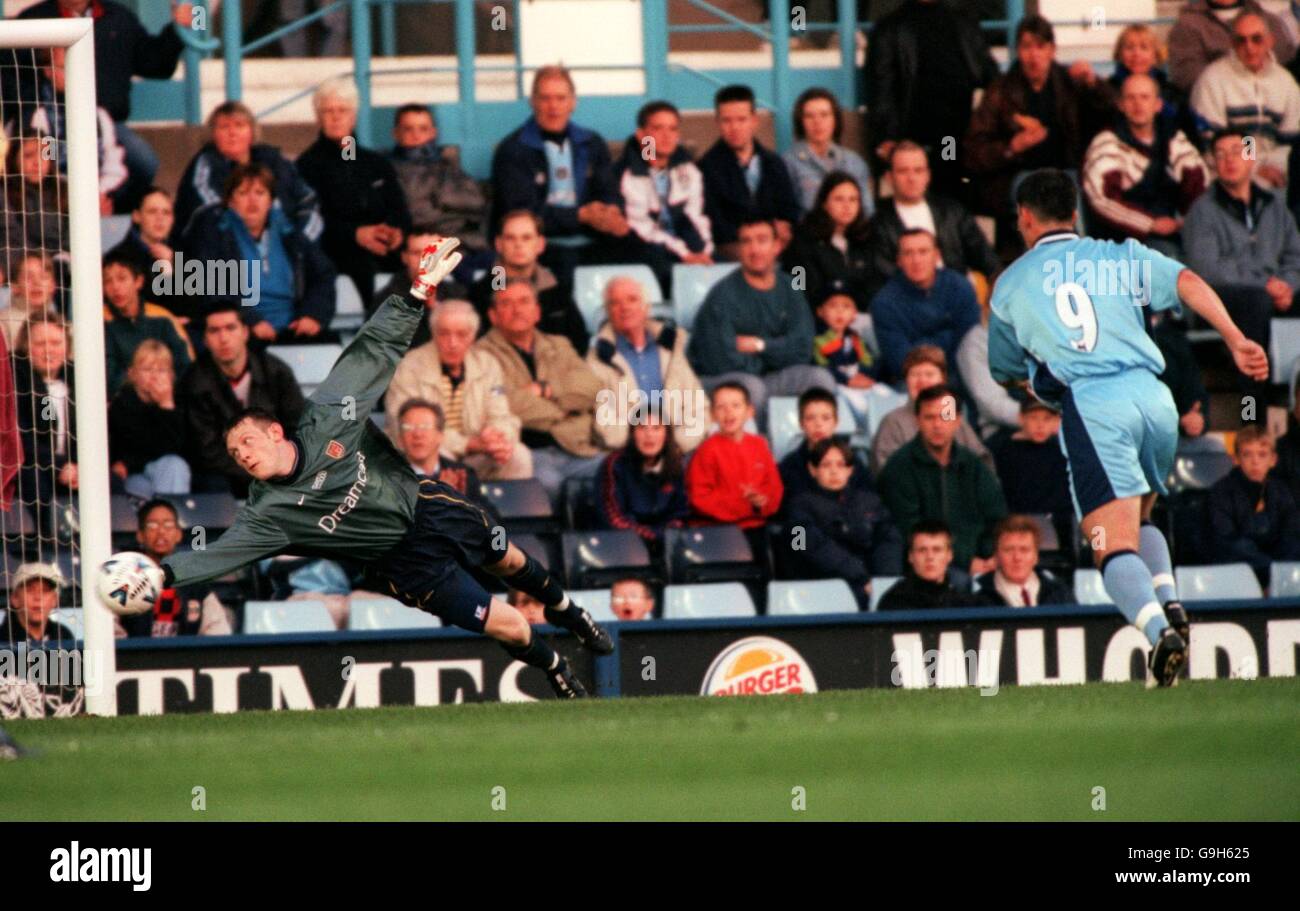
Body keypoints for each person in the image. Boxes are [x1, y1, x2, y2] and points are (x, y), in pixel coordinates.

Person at [157, 237, 613, 699]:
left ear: (275, 432)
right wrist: (162, 575)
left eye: (247, 442)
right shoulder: (267, 514)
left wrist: (418, 294)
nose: (244, 456)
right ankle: (555, 666)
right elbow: (219, 553)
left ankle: (567, 610)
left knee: (506, 557)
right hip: (405, 567)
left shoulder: (326, 419)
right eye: (235, 455)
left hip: (428, 506)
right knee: (509, 627)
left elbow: (369, 353)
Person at [987, 167, 1270, 686]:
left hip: (1096, 406)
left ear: (1024, 218)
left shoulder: (1009, 286)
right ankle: (1169, 601)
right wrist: (1233, 336)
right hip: (1154, 397)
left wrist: (1040, 382)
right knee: (1141, 517)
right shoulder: (1121, 253)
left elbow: (1003, 370)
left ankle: (1159, 632)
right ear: (1074, 213)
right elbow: (1185, 280)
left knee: (1106, 541)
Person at [9, 0, 195, 194]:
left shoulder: (119, 18)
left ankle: (109, 208)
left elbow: (156, 64)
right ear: (47, 70)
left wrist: (181, 28)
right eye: (63, 66)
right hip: (50, 126)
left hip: (106, 124)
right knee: (47, 161)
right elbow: (9, 74)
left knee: (144, 162)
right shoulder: (34, 18)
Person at [962, 16, 1114, 237]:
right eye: (1026, 47)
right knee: (1038, 196)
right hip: (1017, 176)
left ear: (1052, 50)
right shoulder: (1000, 90)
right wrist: (1012, 147)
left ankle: (1075, 259)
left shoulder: (1069, 82)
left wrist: (1094, 84)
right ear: (1017, 51)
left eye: (1040, 47)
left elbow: (1114, 111)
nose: (1034, 55)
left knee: (1069, 192)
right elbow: (971, 152)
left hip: (1068, 171)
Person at [1183, 129, 1300, 411]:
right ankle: (1253, 412)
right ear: (1212, 164)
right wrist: (1265, 284)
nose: (1229, 160)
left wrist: (1286, 285)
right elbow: (1206, 269)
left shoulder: (1275, 206)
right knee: (1255, 303)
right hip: (1226, 299)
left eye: (1237, 151)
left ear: (1251, 156)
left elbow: (1295, 255)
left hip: (1274, 291)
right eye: (1220, 155)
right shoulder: (1202, 211)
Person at [488, 65, 627, 283]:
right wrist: (580, 215)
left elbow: (609, 191)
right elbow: (522, 213)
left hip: (593, 238)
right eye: (545, 98)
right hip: (543, 245)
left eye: (561, 98)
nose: (553, 106)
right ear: (532, 102)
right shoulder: (513, 150)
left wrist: (611, 212)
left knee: (644, 257)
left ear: (573, 102)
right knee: (568, 272)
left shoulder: (591, 143)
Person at [686, 218, 834, 423]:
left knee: (820, 379)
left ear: (777, 246)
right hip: (723, 380)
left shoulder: (792, 286)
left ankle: (823, 451)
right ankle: (762, 451)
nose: (754, 249)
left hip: (769, 376)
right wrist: (778, 353)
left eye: (762, 240)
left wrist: (759, 345)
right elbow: (720, 361)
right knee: (753, 389)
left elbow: (803, 347)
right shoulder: (722, 295)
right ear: (739, 249)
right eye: (746, 242)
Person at [473, 280, 605, 497]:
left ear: (537, 312)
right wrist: (564, 410)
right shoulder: (481, 355)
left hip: (577, 447)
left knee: (613, 472)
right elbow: (506, 402)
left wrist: (546, 389)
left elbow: (592, 388)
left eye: (524, 302)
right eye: (507, 303)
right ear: (493, 316)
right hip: (527, 452)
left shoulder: (559, 345)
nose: (517, 310)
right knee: (548, 485)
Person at [180, 162, 337, 343]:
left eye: (260, 193)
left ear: (271, 201)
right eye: (243, 193)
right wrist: (250, 320)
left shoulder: (290, 234)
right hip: (240, 331)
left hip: (292, 329)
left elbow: (324, 275)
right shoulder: (215, 236)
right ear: (230, 202)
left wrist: (312, 314)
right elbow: (213, 287)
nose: (252, 200)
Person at [864, 0, 998, 199]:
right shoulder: (890, 27)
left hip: (954, 134)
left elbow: (990, 74)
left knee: (951, 191)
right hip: (912, 135)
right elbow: (880, 88)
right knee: (917, 195)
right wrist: (886, 136)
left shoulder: (963, 23)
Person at [386, 298, 532, 480]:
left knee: (518, 455)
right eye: (444, 334)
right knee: (436, 457)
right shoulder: (409, 367)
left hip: (478, 451)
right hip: (431, 451)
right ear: (433, 333)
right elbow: (408, 428)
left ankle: (505, 509)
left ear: (473, 336)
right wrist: (468, 444)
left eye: (461, 334)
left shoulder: (487, 364)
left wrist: (496, 438)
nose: (452, 342)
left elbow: (501, 415)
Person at [296, 78, 411, 308]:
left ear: (354, 116)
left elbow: (399, 210)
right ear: (318, 118)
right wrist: (356, 234)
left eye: (343, 110)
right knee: (362, 265)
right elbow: (308, 221)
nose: (336, 116)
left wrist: (394, 231)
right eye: (328, 111)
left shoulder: (376, 163)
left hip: (385, 246)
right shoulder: (306, 166)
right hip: (338, 250)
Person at [177, 302, 306, 498]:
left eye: (230, 328)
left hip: (276, 463)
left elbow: (298, 426)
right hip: (225, 475)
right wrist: (258, 469)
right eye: (214, 331)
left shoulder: (276, 372)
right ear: (205, 339)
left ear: (245, 332)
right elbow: (207, 451)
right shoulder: (194, 382)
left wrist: (273, 463)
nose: (224, 338)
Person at [878, 385, 1007, 576]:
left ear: (957, 421)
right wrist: (965, 561)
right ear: (917, 421)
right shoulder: (899, 468)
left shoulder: (974, 465)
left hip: (983, 561)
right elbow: (910, 529)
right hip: (927, 566)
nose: (937, 424)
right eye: (929, 417)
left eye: (945, 416)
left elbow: (996, 518)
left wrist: (989, 557)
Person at [1081, 73, 1207, 255]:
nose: (1138, 104)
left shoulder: (1174, 138)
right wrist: (1150, 224)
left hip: (1170, 231)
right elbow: (1102, 200)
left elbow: (1198, 180)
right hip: (1122, 239)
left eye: (1144, 97)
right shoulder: (1106, 143)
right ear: (1121, 105)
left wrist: (1190, 223)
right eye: (1131, 98)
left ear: (1158, 105)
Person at [864, 142, 1001, 304]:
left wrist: (998, 282)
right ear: (889, 177)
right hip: (908, 304)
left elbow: (985, 256)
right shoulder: (878, 221)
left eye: (918, 170)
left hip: (957, 300)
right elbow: (884, 274)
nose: (912, 178)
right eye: (903, 171)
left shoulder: (952, 211)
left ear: (927, 175)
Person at [173, 101, 324, 244]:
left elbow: (307, 201)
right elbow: (211, 213)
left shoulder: (274, 161)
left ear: (252, 132)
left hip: (286, 249)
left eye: (239, 126)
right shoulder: (204, 165)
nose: (232, 133)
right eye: (224, 127)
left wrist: (300, 244)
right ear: (213, 135)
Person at [587, 275, 707, 454]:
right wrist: (643, 446)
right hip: (627, 455)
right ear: (607, 312)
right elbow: (603, 422)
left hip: (678, 450)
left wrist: (675, 445)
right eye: (615, 303)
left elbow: (699, 408)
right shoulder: (597, 360)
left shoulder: (672, 348)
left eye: (632, 300)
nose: (625, 308)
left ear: (647, 307)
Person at [783, 438, 903, 610]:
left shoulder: (870, 502)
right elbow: (802, 546)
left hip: (870, 584)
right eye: (826, 465)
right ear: (813, 469)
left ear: (850, 470)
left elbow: (889, 539)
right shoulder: (797, 506)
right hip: (820, 588)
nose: (834, 472)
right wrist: (859, 576)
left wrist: (883, 582)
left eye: (841, 465)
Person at [1190, 11, 1300, 189]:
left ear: (1270, 41)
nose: (1249, 47)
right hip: (1227, 172)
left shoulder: (1286, 82)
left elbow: (1292, 141)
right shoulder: (1212, 79)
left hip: (1278, 170)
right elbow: (1212, 143)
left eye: (1256, 39)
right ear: (1232, 44)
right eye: (1241, 40)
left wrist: (1274, 167)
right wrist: (1255, 166)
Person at [614, 100, 714, 293]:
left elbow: (696, 216)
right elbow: (641, 227)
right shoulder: (627, 173)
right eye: (658, 129)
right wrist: (684, 254)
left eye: (673, 129)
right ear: (642, 135)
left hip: (684, 250)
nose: (667, 136)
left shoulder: (689, 169)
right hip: (645, 250)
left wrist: (703, 252)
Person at [697, 84, 800, 256]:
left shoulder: (774, 163)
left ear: (754, 121)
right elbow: (713, 223)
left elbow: (789, 210)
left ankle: (799, 285)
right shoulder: (706, 168)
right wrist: (755, 241)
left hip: (776, 248)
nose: (734, 127)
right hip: (732, 249)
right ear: (717, 122)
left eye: (741, 119)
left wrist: (782, 229)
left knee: (802, 263)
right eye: (727, 120)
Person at [871, 229, 981, 386]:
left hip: (963, 371)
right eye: (908, 253)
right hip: (916, 381)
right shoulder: (884, 302)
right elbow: (901, 361)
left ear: (936, 256)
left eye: (923, 252)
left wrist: (921, 345)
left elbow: (970, 342)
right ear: (899, 260)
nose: (916, 260)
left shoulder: (959, 286)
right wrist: (948, 335)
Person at [467, 209, 586, 351]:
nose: (518, 245)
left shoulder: (558, 292)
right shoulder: (479, 294)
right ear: (498, 244)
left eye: (526, 238)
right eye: (511, 238)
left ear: (540, 245)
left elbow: (578, 343)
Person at [872, 344, 994, 474]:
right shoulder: (893, 422)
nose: (922, 380)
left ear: (943, 380)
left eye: (929, 374)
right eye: (915, 374)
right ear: (906, 380)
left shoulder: (953, 418)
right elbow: (886, 472)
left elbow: (982, 462)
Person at [121, 499, 232, 638]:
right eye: (152, 525)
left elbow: (217, 631)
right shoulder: (124, 580)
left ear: (178, 534)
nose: (161, 531)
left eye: (168, 525)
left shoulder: (195, 584)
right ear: (140, 535)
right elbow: (111, 632)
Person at [12, 310, 79, 539]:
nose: (49, 350)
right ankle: (50, 544)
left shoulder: (78, 378)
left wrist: (79, 467)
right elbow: (21, 437)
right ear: (26, 347)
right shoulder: (16, 378)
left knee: (114, 482)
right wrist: (60, 466)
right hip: (33, 467)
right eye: (41, 343)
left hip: (74, 468)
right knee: (34, 476)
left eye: (56, 342)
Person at [387, 104, 488, 254]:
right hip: (416, 244)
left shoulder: (449, 166)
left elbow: (477, 204)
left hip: (459, 243)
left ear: (433, 132)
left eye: (423, 129)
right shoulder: (386, 170)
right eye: (408, 129)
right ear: (395, 133)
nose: (416, 135)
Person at [1208, 424, 1300, 586]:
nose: (1255, 461)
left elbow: (1291, 536)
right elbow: (1228, 542)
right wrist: (1270, 567)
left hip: (1281, 577)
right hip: (1235, 576)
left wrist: (1279, 574)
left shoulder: (1282, 492)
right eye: (1247, 455)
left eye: (1262, 455)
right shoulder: (1220, 493)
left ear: (1273, 460)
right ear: (1235, 459)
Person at [686, 382, 783, 533]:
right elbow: (699, 497)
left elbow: (774, 487)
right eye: (721, 407)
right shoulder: (706, 450)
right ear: (712, 415)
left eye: (736, 405)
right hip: (720, 529)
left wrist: (762, 500)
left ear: (750, 411)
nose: (728, 412)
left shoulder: (759, 444)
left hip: (757, 524)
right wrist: (744, 505)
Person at [109, 340, 191, 498]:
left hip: (169, 471)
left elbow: (180, 448)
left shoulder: (179, 402)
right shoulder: (123, 403)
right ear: (132, 373)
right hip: (133, 474)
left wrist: (166, 405)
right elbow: (139, 445)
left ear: (171, 376)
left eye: (161, 370)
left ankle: (169, 519)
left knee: (175, 465)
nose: (154, 376)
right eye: (147, 369)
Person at [782, 172, 874, 312]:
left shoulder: (864, 240)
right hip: (816, 320)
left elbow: (871, 288)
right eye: (839, 199)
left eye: (853, 200)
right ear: (824, 203)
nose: (847, 206)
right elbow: (797, 288)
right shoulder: (802, 242)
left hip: (858, 318)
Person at [102, 252, 192, 396]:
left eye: (122, 278)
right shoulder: (100, 322)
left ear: (138, 281)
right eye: (107, 281)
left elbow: (186, 368)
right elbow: (109, 377)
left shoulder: (163, 319)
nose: (115, 287)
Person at [107, 187, 196, 330]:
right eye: (152, 211)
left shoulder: (182, 253)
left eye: (166, 213)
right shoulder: (121, 256)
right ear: (137, 216)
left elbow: (193, 306)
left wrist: (174, 264)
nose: (160, 218)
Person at [598, 416, 690, 546]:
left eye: (656, 428)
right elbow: (614, 518)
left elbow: (683, 512)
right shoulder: (614, 464)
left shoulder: (678, 463)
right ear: (632, 434)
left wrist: (668, 534)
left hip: (669, 543)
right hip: (624, 544)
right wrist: (652, 536)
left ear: (667, 435)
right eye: (642, 428)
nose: (649, 435)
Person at [782, 88, 873, 218]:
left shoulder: (854, 162)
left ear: (835, 119)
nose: (817, 122)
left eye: (824, 115)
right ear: (800, 122)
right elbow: (787, 214)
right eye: (809, 116)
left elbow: (867, 211)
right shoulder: (787, 162)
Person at [1168, 0, 1297, 93]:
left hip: (1272, 108)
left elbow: (1287, 67)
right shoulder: (1187, 26)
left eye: (1256, 39)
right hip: (1216, 111)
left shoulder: (1270, 21)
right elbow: (1188, 78)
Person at [778, 387, 874, 501]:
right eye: (810, 418)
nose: (818, 424)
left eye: (826, 418)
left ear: (836, 422)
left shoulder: (853, 462)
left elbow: (869, 502)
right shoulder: (789, 467)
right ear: (801, 423)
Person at [993, 400, 1074, 521]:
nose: (1040, 425)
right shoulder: (1006, 452)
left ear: (1056, 421)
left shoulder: (1059, 453)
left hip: (1057, 521)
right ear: (1021, 418)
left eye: (1047, 419)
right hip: (1019, 521)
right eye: (1033, 418)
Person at [394, 398, 486, 502]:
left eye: (425, 426)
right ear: (399, 438)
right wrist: (441, 495)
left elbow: (487, 516)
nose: (417, 434)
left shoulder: (462, 475)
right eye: (408, 427)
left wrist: (459, 502)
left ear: (440, 435)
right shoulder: (389, 479)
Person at [972, 515, 1075, 607]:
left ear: (1036, 556)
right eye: (1008, 550)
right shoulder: (978, 601)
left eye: (1024, 550)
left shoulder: (1060, 595)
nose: (1017, 557)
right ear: (996, 556)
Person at [877, 520, 980, 611]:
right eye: (922, 550)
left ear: (950, 556)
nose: (930, 557)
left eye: (937, 550)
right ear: (911, 556)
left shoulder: (961, 603)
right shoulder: (894, 602)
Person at [1, 562, 74, 644]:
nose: (37, 597)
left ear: (55, 600)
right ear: (15, 599)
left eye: (45, 590)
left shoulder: (64, 636)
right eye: (30, 590)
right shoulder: (3, 639)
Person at [0, 253, 58, 349]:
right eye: (28, 277)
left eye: (43, 277)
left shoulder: (62, 324)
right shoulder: (4, 323)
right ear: (15, 287)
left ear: (53, 285)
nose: (37, 283)